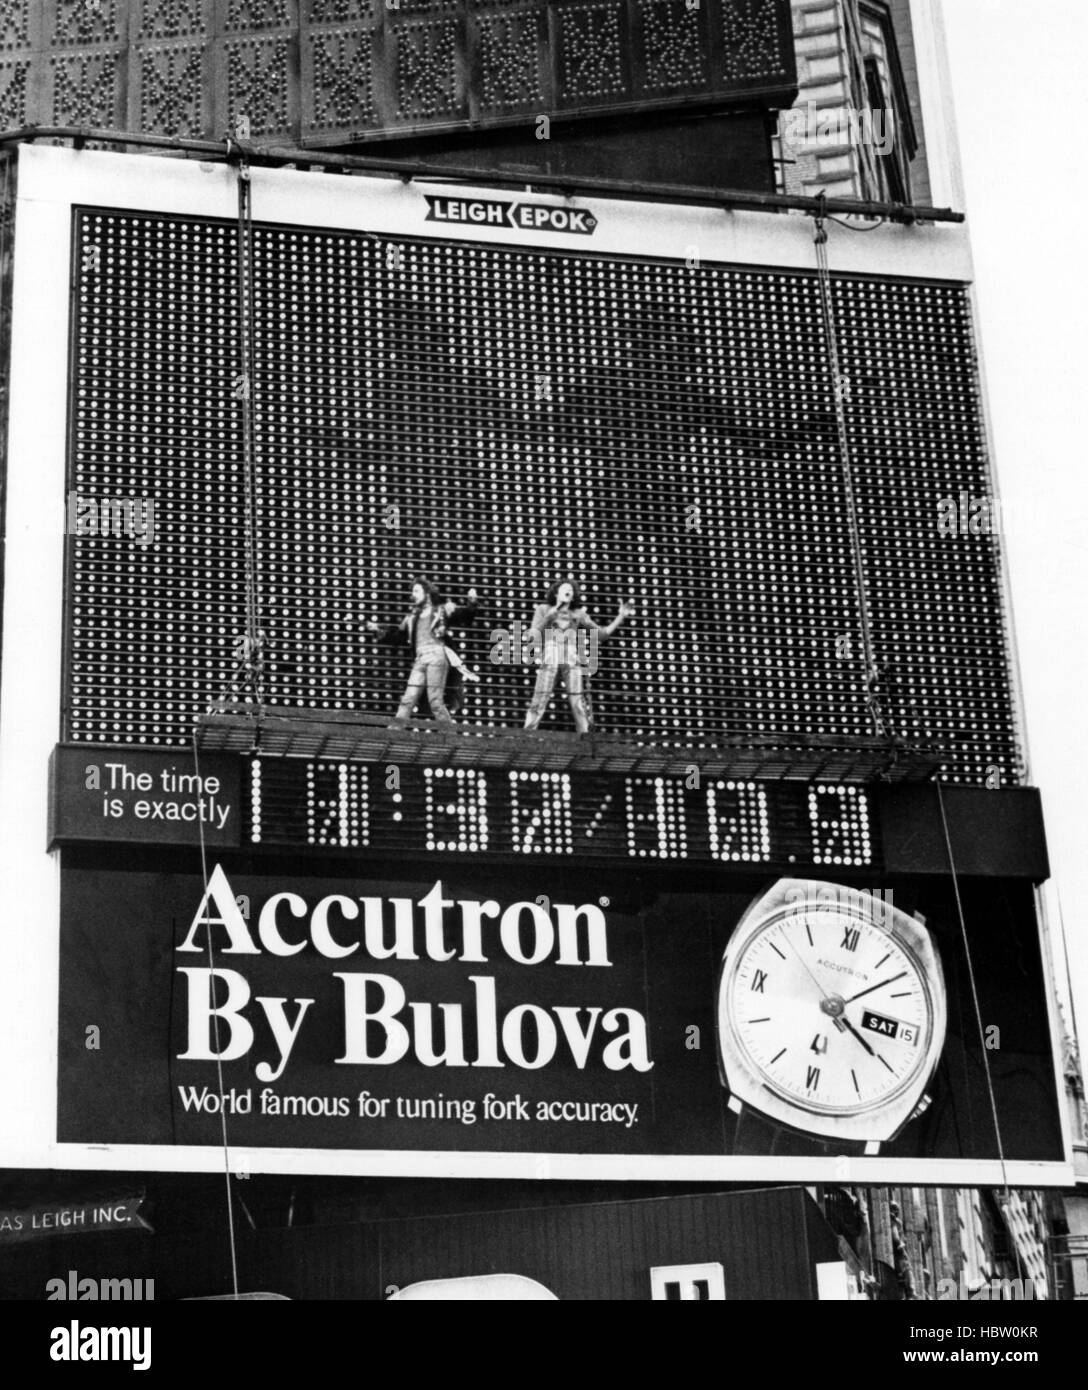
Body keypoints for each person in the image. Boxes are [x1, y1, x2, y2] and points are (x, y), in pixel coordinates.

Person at [523, 580, 633, 735]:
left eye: (571, 590)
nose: (568, 591)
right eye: (564, 589)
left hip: (571, 658)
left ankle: (585, 737)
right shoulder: (543, 609)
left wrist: (620, 616)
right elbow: (532, 635)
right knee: (540, 699)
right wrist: (548, 617)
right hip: (550, 656)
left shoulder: (578, 614)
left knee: (578, 702)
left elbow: (601, 634)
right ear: (556, 593)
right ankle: (528, 735)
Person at [366, 580, 479, 724]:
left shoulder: (441, 611)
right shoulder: (412, 618)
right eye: (413, 592)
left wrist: (472, 602)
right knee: (408, 699)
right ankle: (395, 731)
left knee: (435, 701)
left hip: (436, 655)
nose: (413, 595)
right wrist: (378, 631)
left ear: (427, 594)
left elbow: (465, 617)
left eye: (417, 591)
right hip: (420, 658)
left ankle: (449, 734)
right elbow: (399, 636)